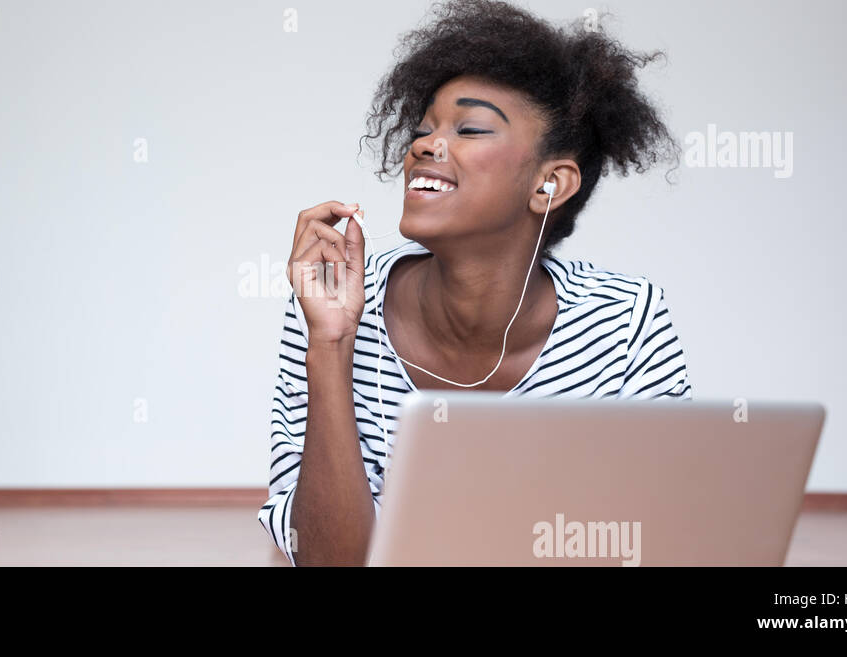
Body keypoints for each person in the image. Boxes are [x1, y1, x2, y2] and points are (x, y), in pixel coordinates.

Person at [259, 0, 689, 566]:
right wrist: (332, 345)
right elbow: (329, 561)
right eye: (423, 128)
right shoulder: (331, 306)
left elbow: (665, 539)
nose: (424, 145)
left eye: (470, 128)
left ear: (549, 185)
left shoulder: (626, 319)